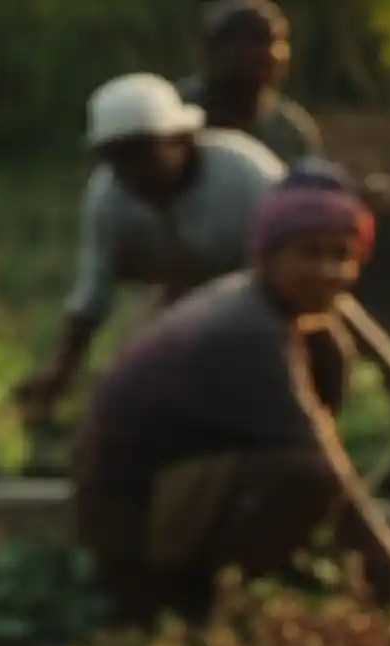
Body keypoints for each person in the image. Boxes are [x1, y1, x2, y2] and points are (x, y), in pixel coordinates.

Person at [75, 161, 390, 623]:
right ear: (268, 255)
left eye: (342, 256)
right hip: (131, 526)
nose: (327, 272)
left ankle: (229, 581)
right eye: (309, 254)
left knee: (327, 361)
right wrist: (385, 558)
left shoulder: (279, 315)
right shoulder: (250, 330)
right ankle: (193, 605)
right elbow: (324, 462)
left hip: (175, 490)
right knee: (308, 478)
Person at [17, 73, 285, 422]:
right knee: (137, 378)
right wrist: (59, 371)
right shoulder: (110, 196)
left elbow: (289, 259)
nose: (131, 172)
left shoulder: (247, 174)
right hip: (176, 299)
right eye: (116, 160)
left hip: (268, 298)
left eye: (141, 156)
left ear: (182, 141)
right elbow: (93, 297)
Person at [178, 0, 323, 166]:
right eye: (256, 40)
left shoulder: (290, 132)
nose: (271, 54)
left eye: (278, 41)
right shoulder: (173, 115)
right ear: (212, 49)